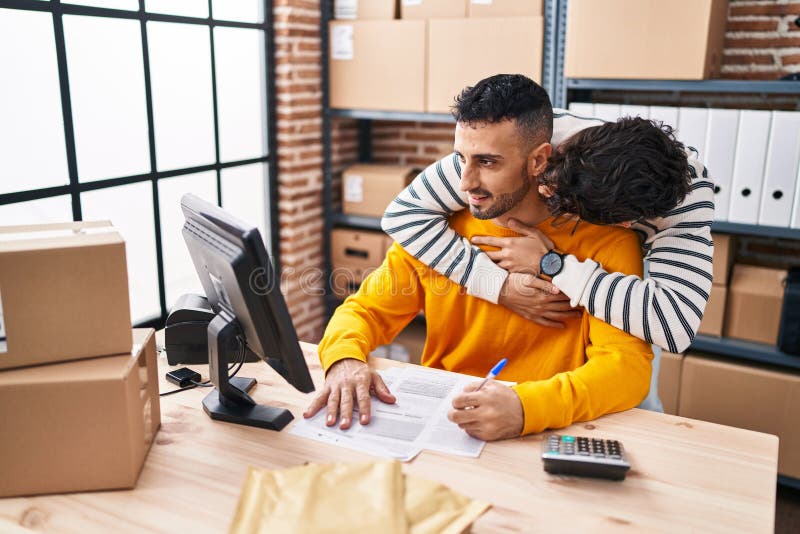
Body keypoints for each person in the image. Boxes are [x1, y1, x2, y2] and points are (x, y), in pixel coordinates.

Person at [304, 75, 653, 441]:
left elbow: (626, 368)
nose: (466, 182)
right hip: (445, 425)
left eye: (487, 162)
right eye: (461, 159)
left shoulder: (607, 241)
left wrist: (525, 407)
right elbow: (365, 311)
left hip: (542, 431)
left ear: (538, 160)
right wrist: (344, 360)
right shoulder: (433, 233)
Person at [382, 92, 714, 357]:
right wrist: (496, 285)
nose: (542, 192)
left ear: (624, 222)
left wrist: (551, 264)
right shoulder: (522, 142)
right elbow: (404, 214)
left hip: (617, 307)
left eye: (560, 205)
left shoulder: (685, 203)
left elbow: (673, 325)